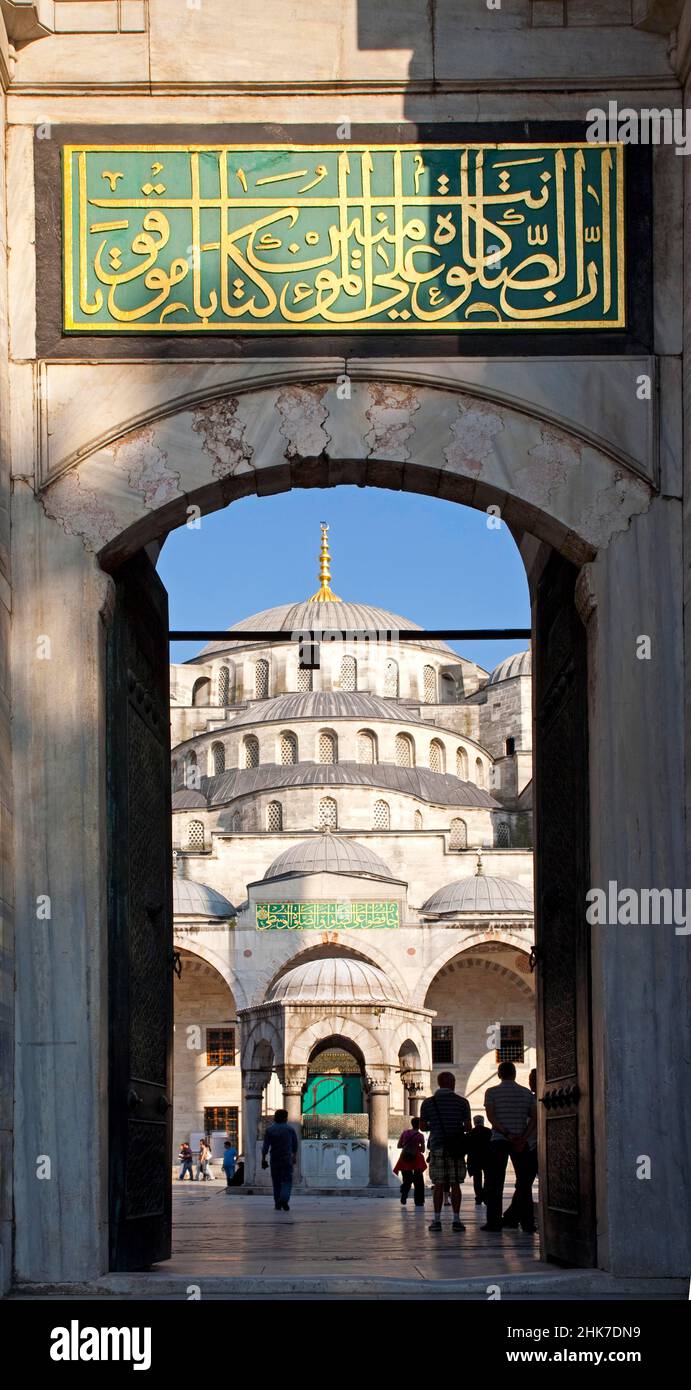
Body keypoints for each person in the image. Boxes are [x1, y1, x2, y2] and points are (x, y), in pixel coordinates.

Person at [482, 1061, 537, 1233]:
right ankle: (528, 1223)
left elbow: (491, 1117)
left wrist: (507, 1134)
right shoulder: (526, 1094)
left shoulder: (491, 1092)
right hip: (521, 1142)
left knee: (495, 1182)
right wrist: (523, 1138)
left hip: (499, 1140)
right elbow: (534, 1118)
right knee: (524, 1183)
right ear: (514, 1074)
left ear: (499, 1074)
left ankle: (494, 1223)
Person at [419, 1071, 472, 1233]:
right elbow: (468, 1127)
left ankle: (436, 1221)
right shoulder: (462, 1103)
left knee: (438, 1184)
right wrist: (456, 1128)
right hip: (456, 1149)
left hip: (437, 1147)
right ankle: (456, 1220)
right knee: (455, 1184)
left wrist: (434, 1126)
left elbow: (422, 1126)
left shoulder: (428, 1103)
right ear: (453, 1083)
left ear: (439, 1083)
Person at [502, 1067, 539, 1229]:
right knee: (524, 1183)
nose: (530, 1082)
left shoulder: (532, 1099)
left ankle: (514, 1216)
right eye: (530, 1079)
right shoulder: (529, 1098)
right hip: (528, 1146)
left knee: (523, 1183)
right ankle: (522, 1220)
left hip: (531, 1145)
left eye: (533, 1080)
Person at [261, 1109, 298, 1212]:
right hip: (286, 1159)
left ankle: (277, 1203)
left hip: (275, 1159)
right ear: (285, 1118)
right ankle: (284, 1199)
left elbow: (265, 1147)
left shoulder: (270, 1130)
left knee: (276, 1182)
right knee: (287, 1180)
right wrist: (294, 1156)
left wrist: (263, 1159)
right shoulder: (290, 1129)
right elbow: (295, 1145)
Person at [393, 1115, 427, 1207]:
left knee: (407, 1179)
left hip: (405, 1159)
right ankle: (419, 1201)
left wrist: (407, 1146)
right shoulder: (420, 1136)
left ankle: (404, 1191)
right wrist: (418, 1147)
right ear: (419, 1125)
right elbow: (423, 1150)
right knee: (418, 1181)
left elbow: (399, 1146)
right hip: (416, 1160)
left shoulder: (405, 1133)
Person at [466, 1115, 492, 1205]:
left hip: (474, 1159)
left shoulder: (470, 1132)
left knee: (477, 1179)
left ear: (474, 1122)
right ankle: (485, 1196)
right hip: (487, 1158)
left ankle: (479, 1197)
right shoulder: (489, 1131)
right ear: (483, 1121)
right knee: (487, 1178)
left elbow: (467, 1147)